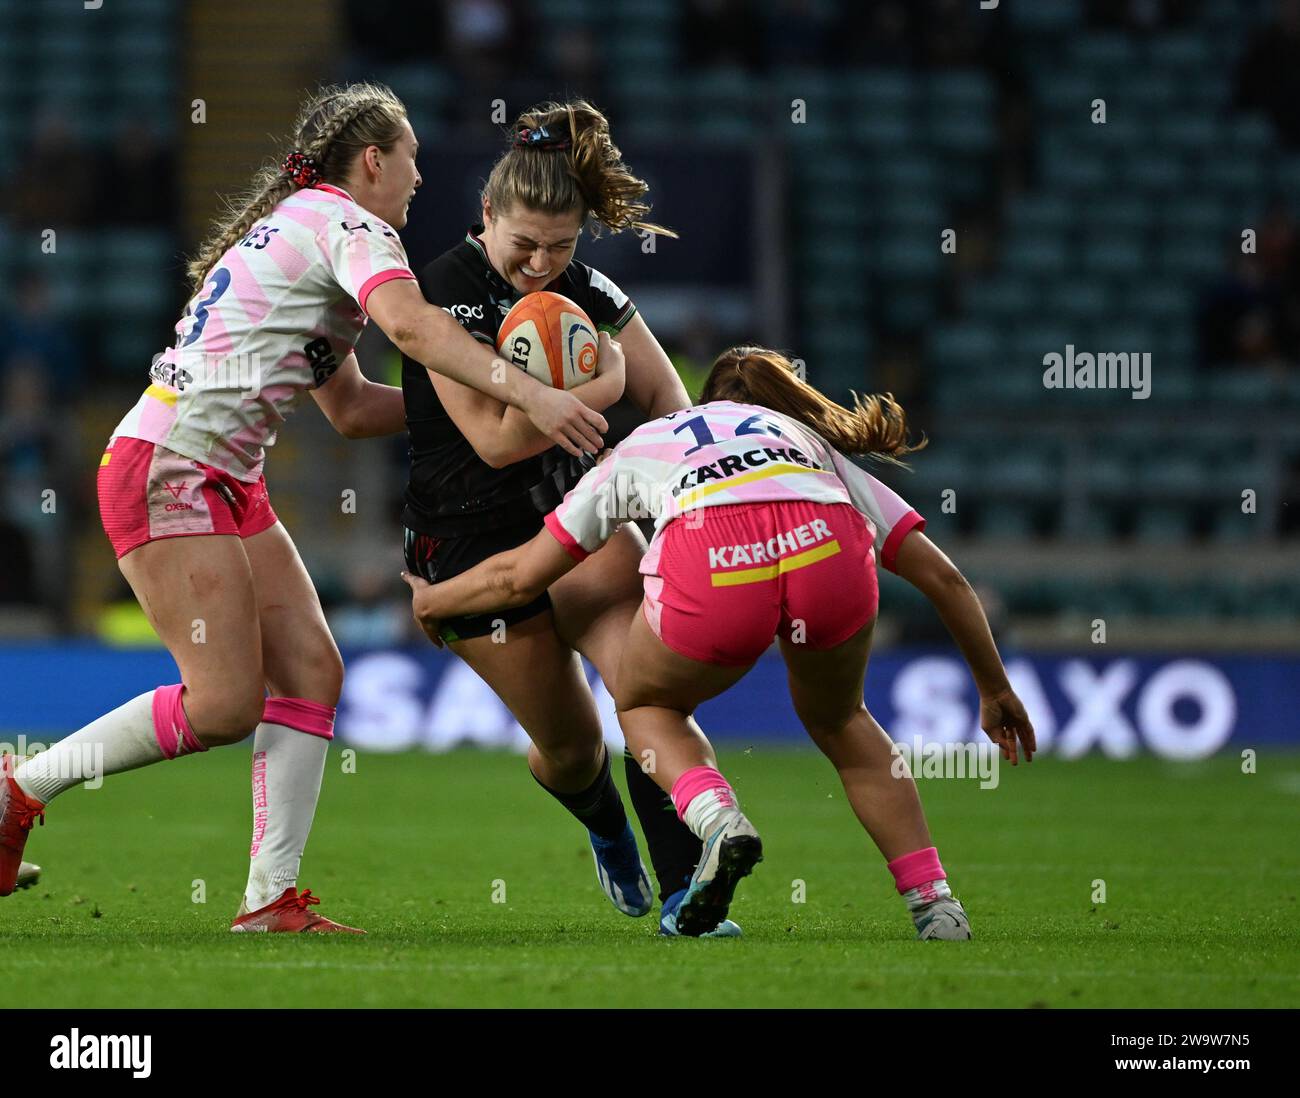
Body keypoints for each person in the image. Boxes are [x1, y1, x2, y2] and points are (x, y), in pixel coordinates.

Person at [0, 83, 618, 931]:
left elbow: (359, 408)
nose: (417, 180)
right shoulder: (350, 225)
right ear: (374, 160)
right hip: (172, 468)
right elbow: (412, 330)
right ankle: (15, 789)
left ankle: (268, 902)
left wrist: (486, 411)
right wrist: (531, 397)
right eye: (411, 162)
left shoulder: (303, 230)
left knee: (313, 674)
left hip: (218, 473)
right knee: (221, 705)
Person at [404, 346, 1037, 939]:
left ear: (705, 400)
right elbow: (946, 578)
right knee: (844, 720)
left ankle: (717, 818)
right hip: (827, 549)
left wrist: (435, 599)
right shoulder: (806, 443)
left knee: (645, 704)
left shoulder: (641, 446)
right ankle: (935, 904)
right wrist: (995, 687)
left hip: (717, 563)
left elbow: (521, 574)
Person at [399, 100, 733, 935]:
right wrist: (600, 385)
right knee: (574, 752)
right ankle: (607, 828)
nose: (543, 266)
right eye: (525, 246)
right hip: (468, 540)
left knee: (645, 692)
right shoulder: (440, 289)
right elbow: (492, 441)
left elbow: (668, 398)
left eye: (563, 246)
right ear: (487, 217)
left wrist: (683, 494)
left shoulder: (590, 290)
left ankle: (689, 892)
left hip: (574, 516)